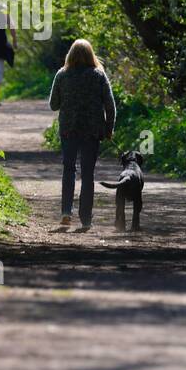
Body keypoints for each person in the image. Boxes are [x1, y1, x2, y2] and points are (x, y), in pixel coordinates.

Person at [48, 38, 115, 232]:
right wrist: (109, 129)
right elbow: (110, 106)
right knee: (88, 174)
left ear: (70, 54)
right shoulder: (98, 75)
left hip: (69, 128)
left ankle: (66, 212)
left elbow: (53, 105)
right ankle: (86, 219)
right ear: (91, 55)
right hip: (92, 130)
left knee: (68, 169)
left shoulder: (62, 74)